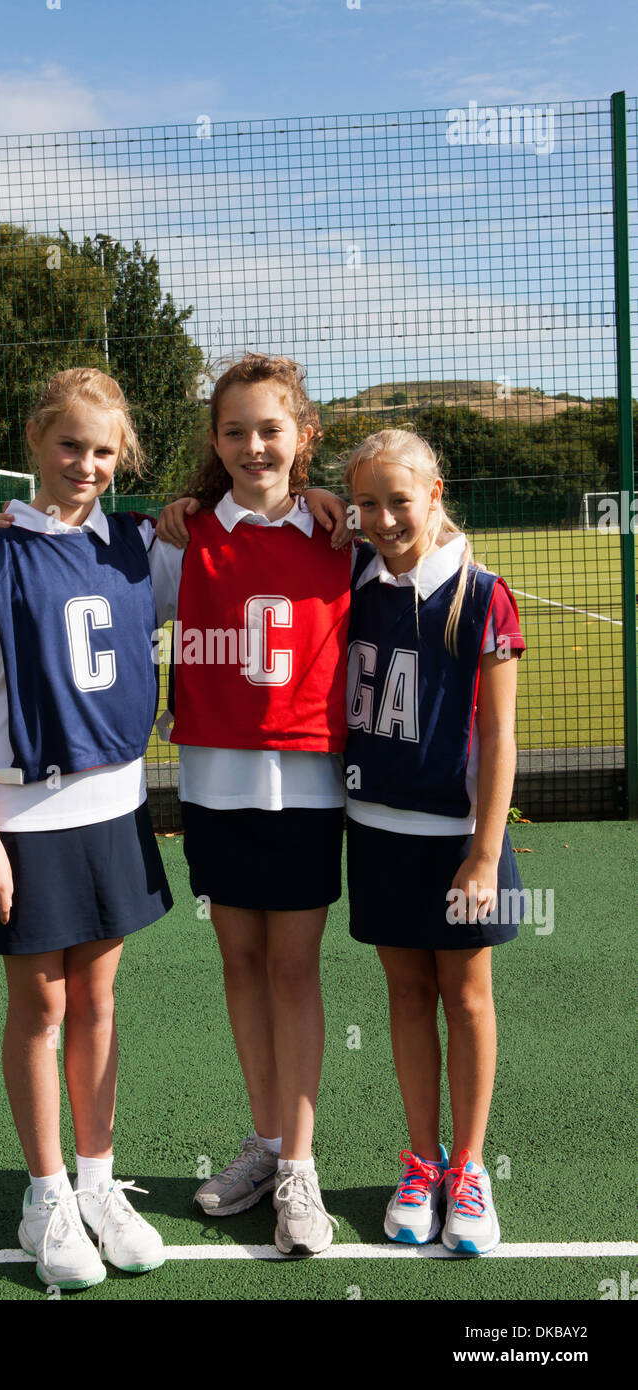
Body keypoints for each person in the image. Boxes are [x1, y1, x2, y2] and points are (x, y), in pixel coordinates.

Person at [0, 367, 172, 1291]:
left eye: (104, 451)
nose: (86, 464)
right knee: (40, 1007)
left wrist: (317, 494)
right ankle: (44, 1195)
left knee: (100, 1004)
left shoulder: (140, 544)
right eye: (70, 444)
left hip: (114, 807)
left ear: (123, 461)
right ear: (35, 440)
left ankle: (99, 1182)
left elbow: (244, 517)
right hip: (22, 814)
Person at [155, 354, 351, 1257]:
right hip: (214, 784)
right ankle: (267, 1145)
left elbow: (421, 532)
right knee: (240, 963)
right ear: (214, 442)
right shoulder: (184, 535)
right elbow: (100, 575)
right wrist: (6, 526)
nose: (252, 445)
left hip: (307, 783)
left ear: (303, 437)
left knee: (292, 970)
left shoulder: (338, 536)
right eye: (234, 430)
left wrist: (348, 507)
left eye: (270, 428)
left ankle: (301, 1171)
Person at [340, 427, 526, 1255]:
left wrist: (485, 853)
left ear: (436, 494)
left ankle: (472, 1169)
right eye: (367, 503)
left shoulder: (484, 594)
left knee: (468, 997)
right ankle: (421, 1159)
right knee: (407, 994)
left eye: (399, 501)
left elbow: (500, 739)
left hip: (458, 839)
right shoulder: (352, 576)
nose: (383, 518)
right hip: (378, 832)